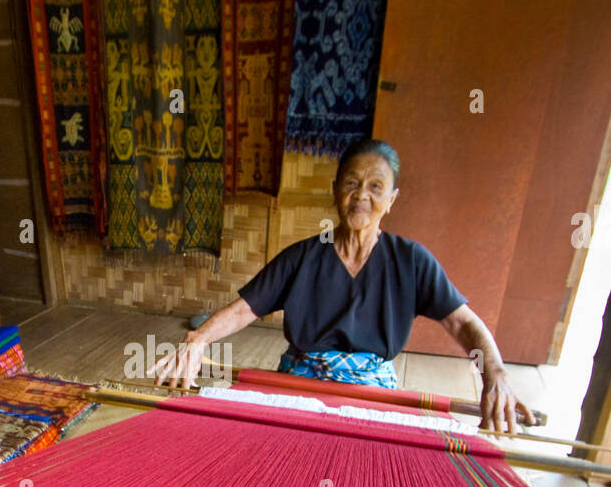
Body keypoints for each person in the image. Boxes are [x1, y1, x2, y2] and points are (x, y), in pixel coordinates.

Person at [154, 138, 535, 434]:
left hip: (373, 394)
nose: (362, 196)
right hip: (299, 387)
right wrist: (198, 340)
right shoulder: (303, 256)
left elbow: (462, 323)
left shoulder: (411, 261)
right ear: (336, 189)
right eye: (352, 183)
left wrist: (495, 372)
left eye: (376, 186)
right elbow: (244, 309)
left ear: (392, 199)